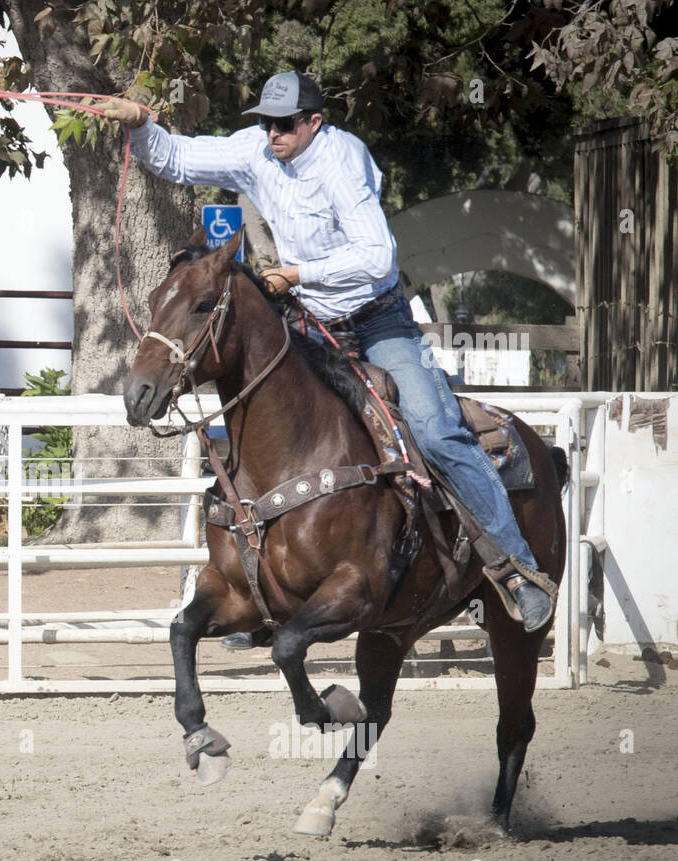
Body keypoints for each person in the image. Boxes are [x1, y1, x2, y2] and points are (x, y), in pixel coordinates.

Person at [99, 71, 556, 634]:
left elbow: (377, 258)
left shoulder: (343, 163)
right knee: (271, 425)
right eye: (266, 122)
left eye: (285, 124)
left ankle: (516, 569)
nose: (273, 134)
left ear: (315, 122)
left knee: (435, 431)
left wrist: (296, 272)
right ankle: (262, 591)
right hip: (312, 322)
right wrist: (143, 125)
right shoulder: (256, 151)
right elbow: (178, 159)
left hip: (377, 321)